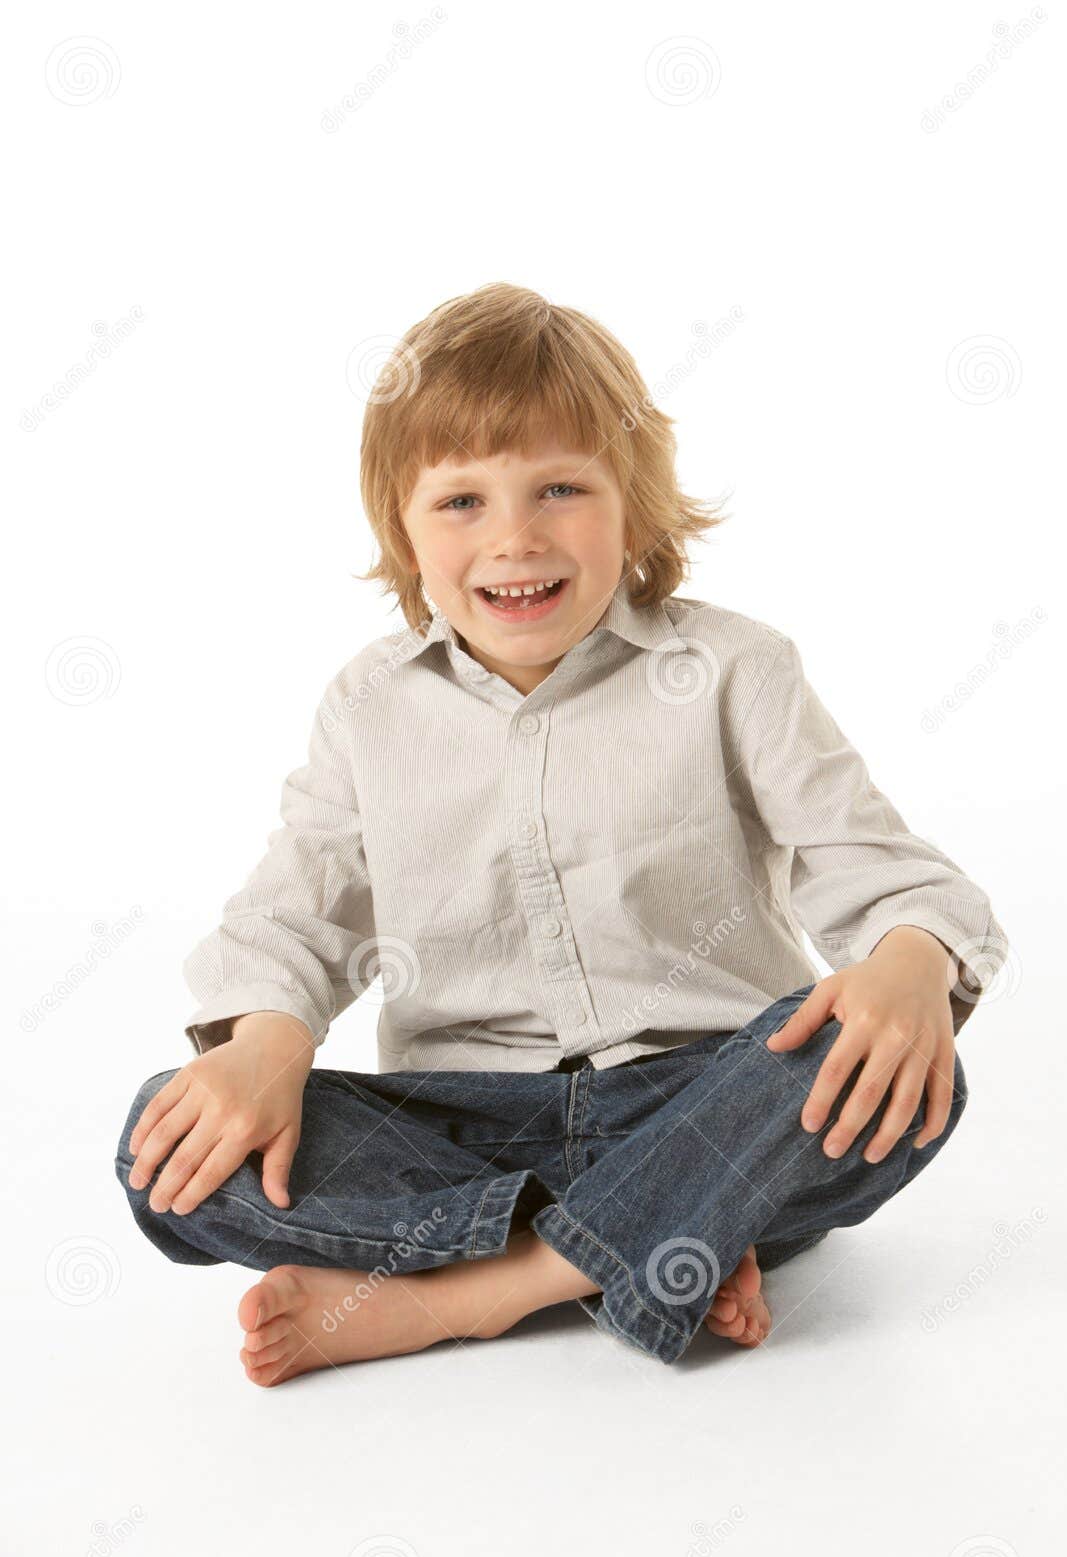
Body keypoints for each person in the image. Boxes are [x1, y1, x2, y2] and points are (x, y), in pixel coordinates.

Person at [114, 283, 1009, 1386]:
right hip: (458, 1129)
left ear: (630, 503)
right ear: (400, 526)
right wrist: (264, 1043)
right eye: (460, 503)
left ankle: (476, 1296)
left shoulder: (734, 671)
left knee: (902, 1075)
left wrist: (910, 959)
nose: (514, 538)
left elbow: (884, 876)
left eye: (559, 489)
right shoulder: (369, 706)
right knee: (166, 1142)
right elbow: (294, 910)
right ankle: (652, 1244)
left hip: (700, 1095)